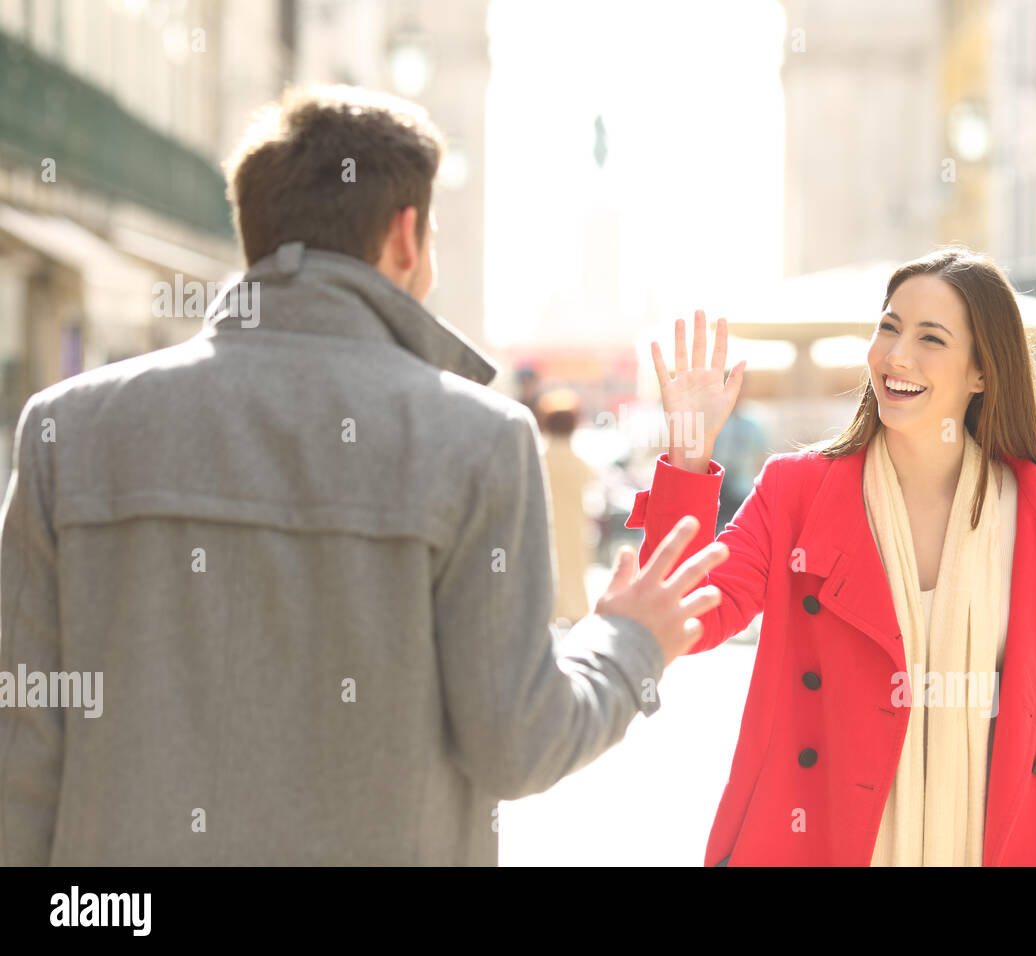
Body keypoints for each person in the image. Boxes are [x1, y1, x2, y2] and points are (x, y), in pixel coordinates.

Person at [0, 85, 728, 865]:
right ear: (406, 238)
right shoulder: (475, 440)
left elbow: (24, 747)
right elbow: (518, 742)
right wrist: (626, 643)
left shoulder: (65, 428)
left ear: (254, 230)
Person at [625, 249, 1036, 866]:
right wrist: (687, 451)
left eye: (931, 338)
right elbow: (682, 614)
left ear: (982, 372)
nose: (897, 355)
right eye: (889, 326)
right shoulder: (797, 493)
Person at [537, 389, 599, 627]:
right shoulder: (579, 461)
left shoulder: (538, 456)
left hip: (544, 530)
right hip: (575, 531)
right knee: (574, 582)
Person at [709, 373, 769, 536]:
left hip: (741, 489)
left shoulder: (754, 423)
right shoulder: (711, 420)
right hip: (716, 491)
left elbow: (760, 458)